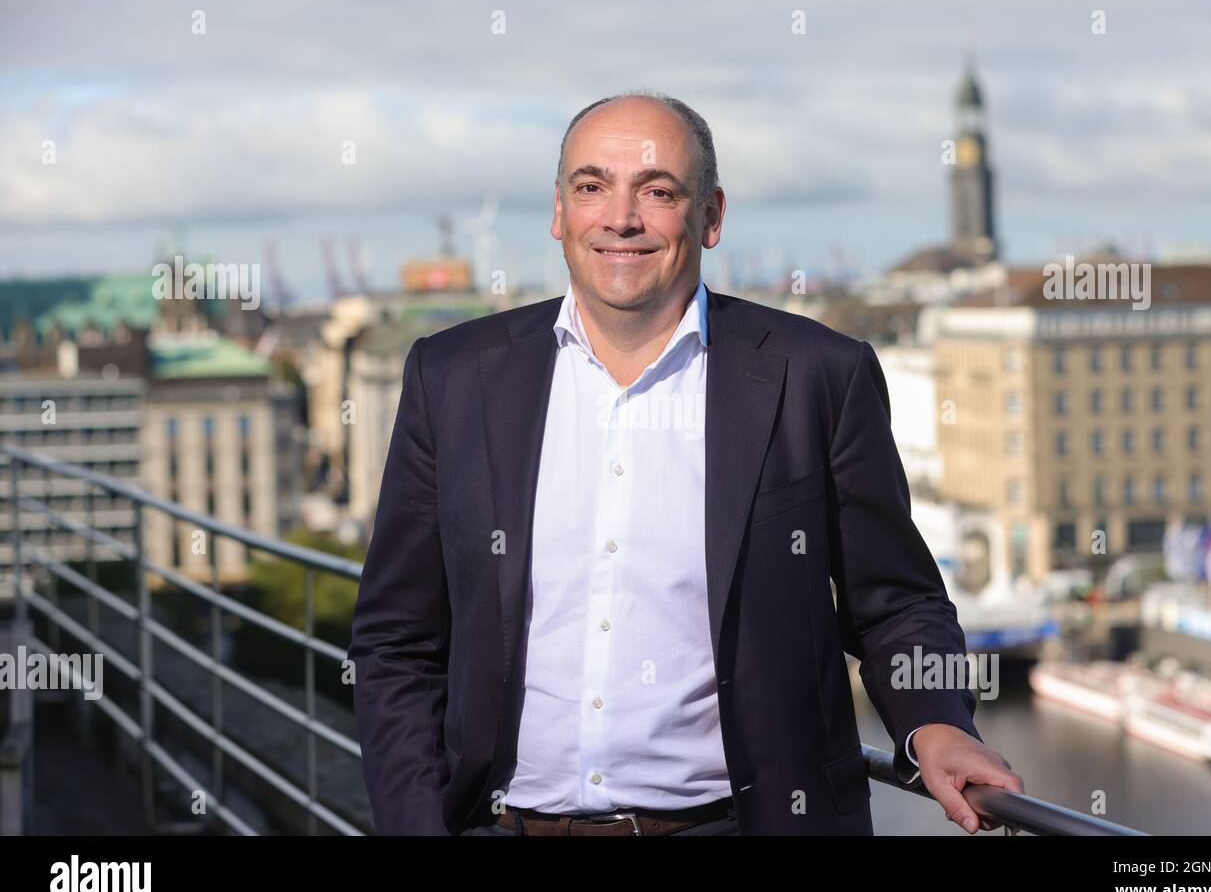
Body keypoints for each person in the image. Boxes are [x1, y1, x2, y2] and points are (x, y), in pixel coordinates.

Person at [349, 90, 1023, 836]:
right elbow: (396, 641)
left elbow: (897, 601)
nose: (621, 218)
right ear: (558, 211)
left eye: (658, 191)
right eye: (592, 186)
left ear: (710, 216)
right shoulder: (453, 378)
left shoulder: (817, 376)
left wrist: (935, 723)